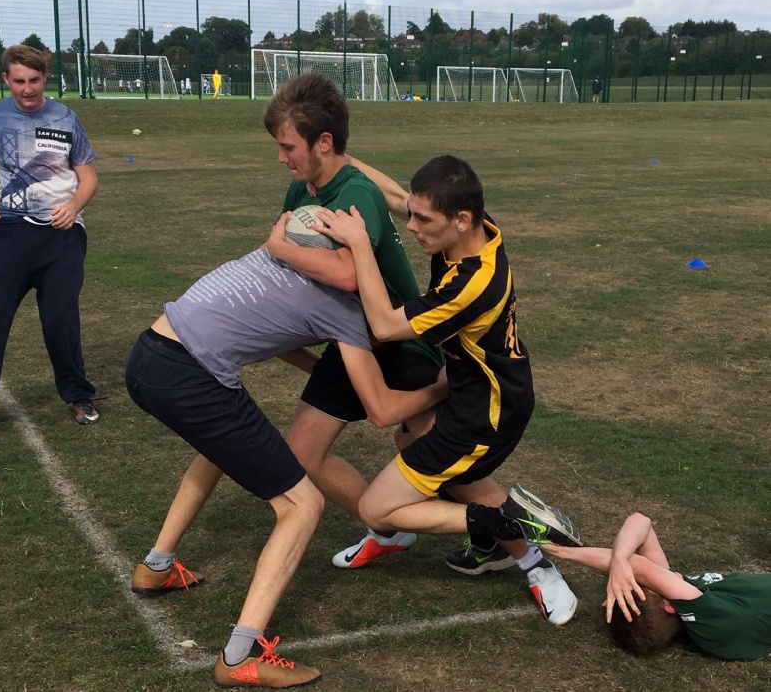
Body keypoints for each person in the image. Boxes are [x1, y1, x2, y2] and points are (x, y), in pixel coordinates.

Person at [126, 245, 447, 688]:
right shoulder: (350, 313)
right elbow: (381, 409)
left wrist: (319, 368)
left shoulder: (288, 256)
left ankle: (156, 565)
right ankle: (241, 656)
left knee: (221, 448)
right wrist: (439, 389)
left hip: (148, 356)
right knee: (302, 505)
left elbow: (285, 333)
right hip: (191, 379)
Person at [312, 155, 583, 625]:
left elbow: (384, 324)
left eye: (423, 220)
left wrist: (357, 242)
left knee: (377, 507)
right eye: (414, 216)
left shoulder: (471, 284)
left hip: (487, 413)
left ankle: (528, 548)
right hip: (472, 386)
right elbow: (397, 197)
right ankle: (488, 548)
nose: (411, 227)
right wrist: (341, 161)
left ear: (460, 219)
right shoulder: (475, 227)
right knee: (413, 440)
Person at [262, 73, 446, 569]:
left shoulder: (357, 194)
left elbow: (347, 274)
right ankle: (388, 529)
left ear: (323, 143)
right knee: (303, 455)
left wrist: (279, 248)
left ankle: (527, 552)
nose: (281, 158)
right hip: (352, 340)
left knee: (438, 452)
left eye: (288, 147)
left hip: (402, 340)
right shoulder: (301, 193)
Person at [0, 45, 99, 425]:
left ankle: (79, 395)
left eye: (34, 80)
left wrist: (74, 207)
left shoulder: (65, 117)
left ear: (45, 78)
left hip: (61, 234)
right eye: (19, 81)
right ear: (6, 79)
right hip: (10, 232)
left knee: (59, 320)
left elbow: (89, 179)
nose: (28, 89)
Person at [542, 512, 771, 659]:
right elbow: (639, 565)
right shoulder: (714, 620)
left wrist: (565, 552)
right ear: (670, 605)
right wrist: (619, 563)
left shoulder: (686, 618)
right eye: (646, 583)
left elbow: (642, 524)